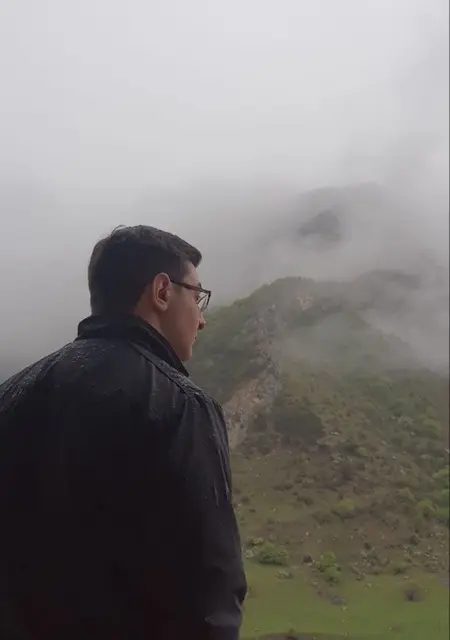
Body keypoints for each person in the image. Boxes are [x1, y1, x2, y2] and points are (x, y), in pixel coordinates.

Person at [0, 225, 247, 640]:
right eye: (197, 296)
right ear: (162, 291)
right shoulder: (178, 405)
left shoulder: (11, 394)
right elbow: (207, 590)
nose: (202, 319)